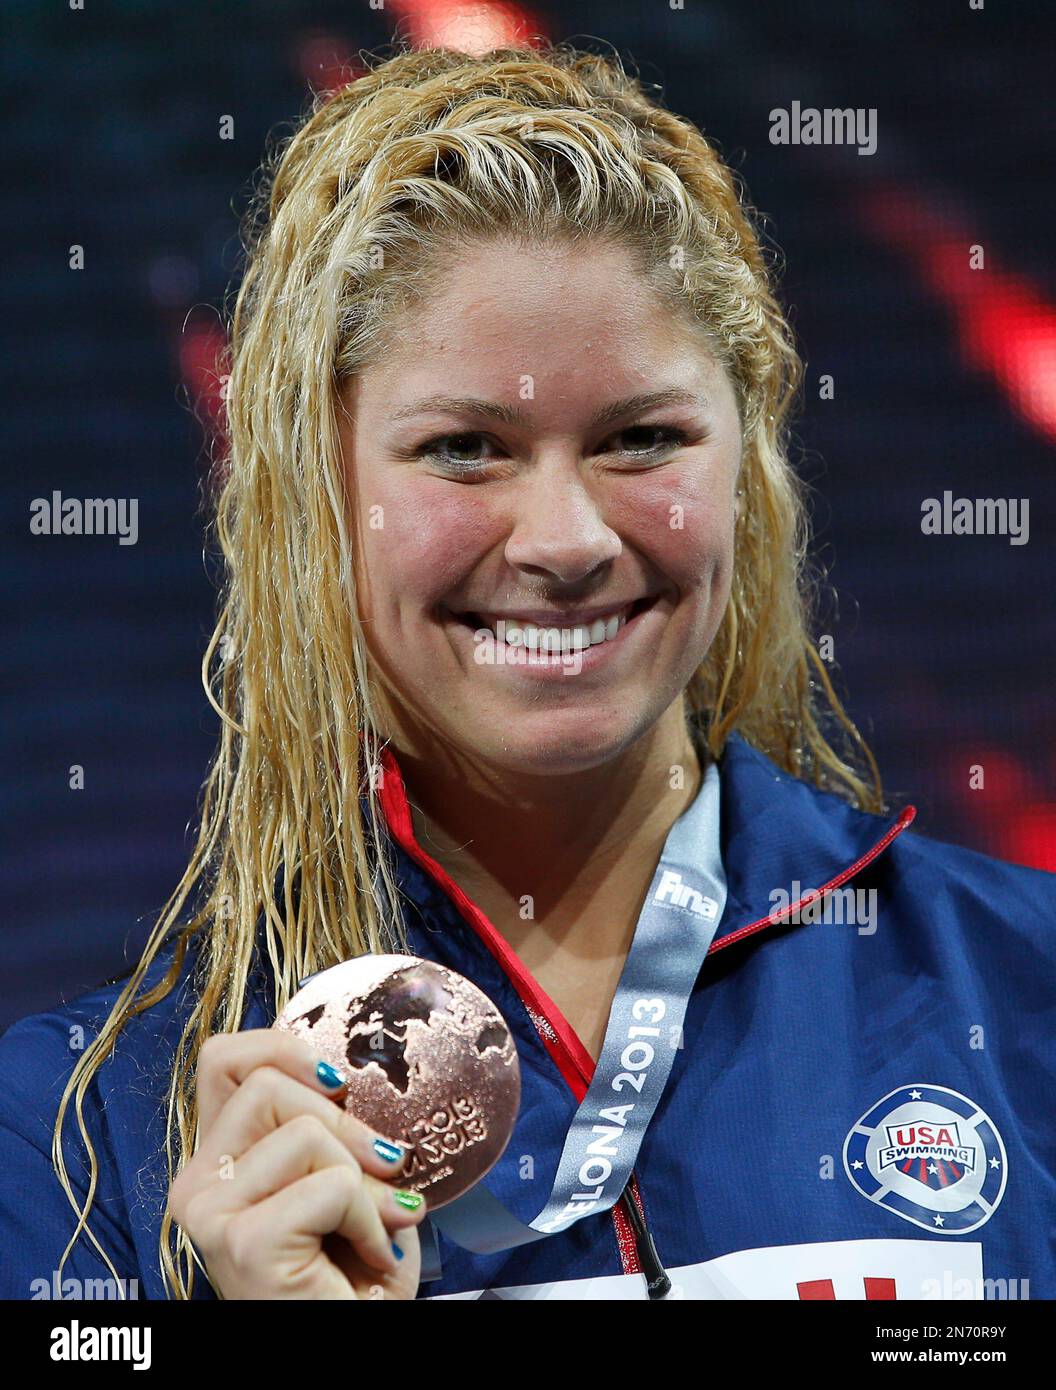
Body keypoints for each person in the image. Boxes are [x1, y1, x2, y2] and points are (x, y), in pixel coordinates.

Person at [1, 41, 1053, 1304]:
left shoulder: (1023, 987)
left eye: (641, 438)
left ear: (748, 464)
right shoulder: (78, 1138)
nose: (564, 541)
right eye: (464, 448)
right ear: (311, 496)